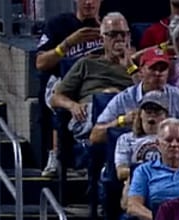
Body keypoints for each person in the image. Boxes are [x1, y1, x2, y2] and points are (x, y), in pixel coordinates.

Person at [33, 0, 104, 176]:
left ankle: (92, 157)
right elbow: (40, 63)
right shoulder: (58, 24)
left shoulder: (111, 25)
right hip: (63, 82)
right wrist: (68, 43)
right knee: (61, 96)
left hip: (97, 84)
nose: (88, 2)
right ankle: (57, 154)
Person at [52, 12, 135, 147]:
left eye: (123, 34)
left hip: (124, 115)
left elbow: (147, 93)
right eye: (113, 35)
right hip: (91, 113)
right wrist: (72, 105)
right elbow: (55, 98)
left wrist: (130, 66)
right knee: (105, 98)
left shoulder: (138, 66)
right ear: (102, 39)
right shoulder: (87, 63)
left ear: (129, 37)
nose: (120, 39)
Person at [89, 46, 179, 147]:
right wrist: (122, 121)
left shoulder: (178, 96)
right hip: (132, 153)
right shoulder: (124, 98)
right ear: (141, 71)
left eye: (163, 69)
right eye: (153, 68)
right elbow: (95, 136)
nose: (158, 73)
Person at [125, 117, 179, 220]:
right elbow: (133, 206)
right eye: (169, 140)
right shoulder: (143, 171)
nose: (174, 144)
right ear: (157, 144)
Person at [110, 92, 173, 193]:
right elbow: (121, 172)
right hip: (137, 186)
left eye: (157, 112)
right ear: (140, 115)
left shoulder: (176, 138)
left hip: (169, 184)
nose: (152, 117)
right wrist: (151, 174)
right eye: (148, 112)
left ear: (166, 116)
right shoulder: (125, 139)